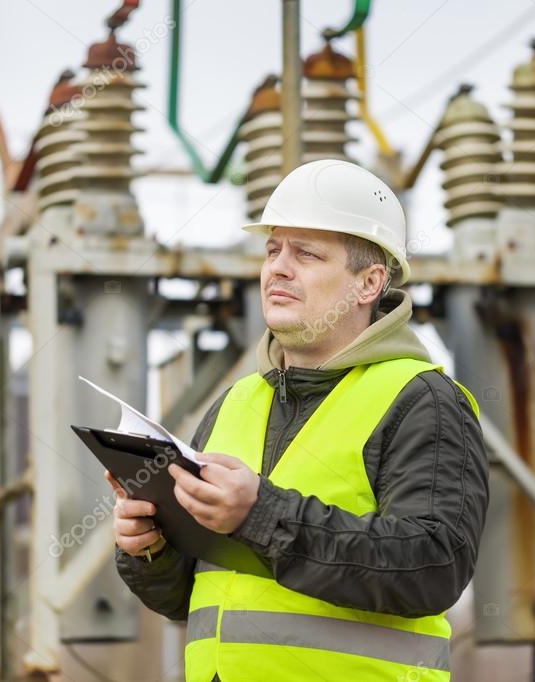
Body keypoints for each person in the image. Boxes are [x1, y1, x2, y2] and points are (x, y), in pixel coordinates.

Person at [107, 159, 489, 682]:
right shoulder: (235, 404)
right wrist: (151, 547)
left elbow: (432, 568)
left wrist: (261, 515)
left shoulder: (422, 399)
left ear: (369, 283)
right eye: (272, 250)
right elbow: (194, 599)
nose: (278, 269)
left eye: (306, 253)